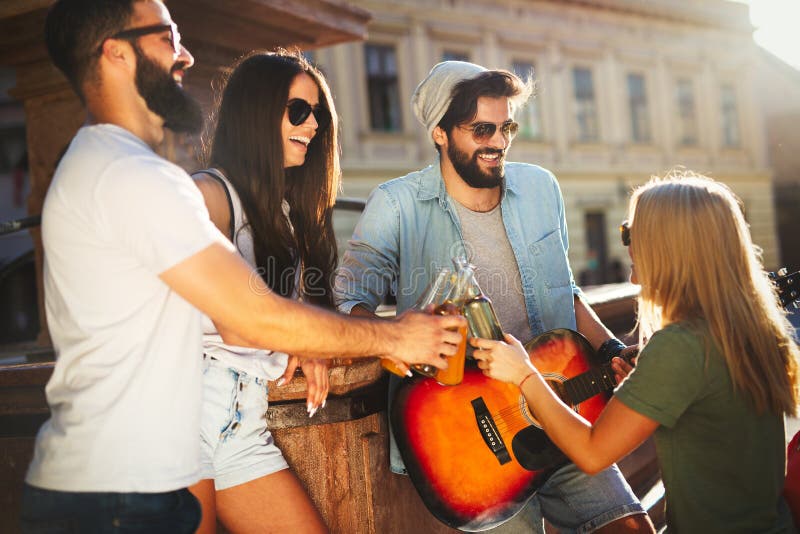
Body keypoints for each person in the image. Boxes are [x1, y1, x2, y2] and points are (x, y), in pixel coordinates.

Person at [21, 1, 464, 532]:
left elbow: (251, 313)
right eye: (167, 37)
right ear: (116, 52)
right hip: (132, 471)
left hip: (211, 434)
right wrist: (395, 337)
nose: (185, 55)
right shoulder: (136, 177)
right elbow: (247, 319)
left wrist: (305, 337)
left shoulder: (124, 170)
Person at [335, 60, 654, 533]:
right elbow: (349, 298)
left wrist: (610, 349)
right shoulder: (396, 204)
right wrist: (395, 339)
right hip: (468, 444)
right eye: (482, 129)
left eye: (507, 128)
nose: (499, 142)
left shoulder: (542, 188)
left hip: (561, 408)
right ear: (440, 133)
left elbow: (565, 291)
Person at [472, 172, 800, 532]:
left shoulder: (681, 345)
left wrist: (524, 374)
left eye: (630, 231)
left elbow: (591, 453)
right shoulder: (750, 328)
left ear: (667, 244)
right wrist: (648, 384)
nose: (626, 242)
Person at [189, 50, 342, 533]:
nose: (312, 124)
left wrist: (306, 340)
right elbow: (237, 320)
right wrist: (303, 337)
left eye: (317, 113)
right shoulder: (207, 195)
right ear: (256, 113)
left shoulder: (282, 220)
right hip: (180, 419)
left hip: (241, 425)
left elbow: (279, 321)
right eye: (298, 110)